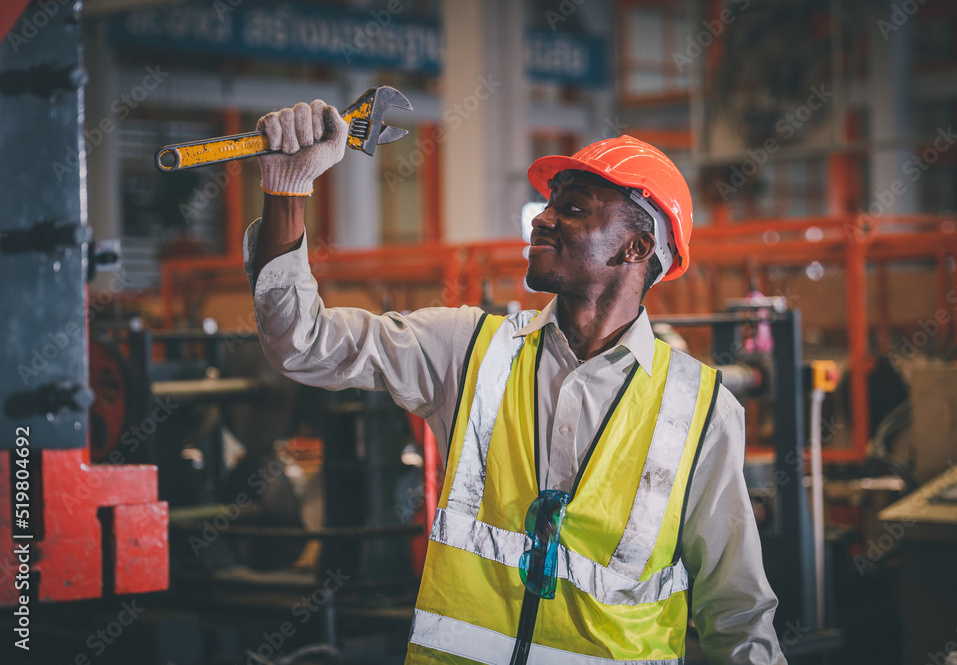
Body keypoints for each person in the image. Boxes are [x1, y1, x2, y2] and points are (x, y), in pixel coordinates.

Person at [245, 100, 787, 665]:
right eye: (550, 203)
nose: (542, 218)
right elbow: (301, 343)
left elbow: (737, 611)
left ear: (637, 247)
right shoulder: (467, 350)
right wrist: (288, 186)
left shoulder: (700, 411)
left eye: (573, 208)